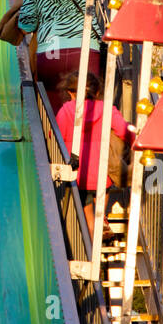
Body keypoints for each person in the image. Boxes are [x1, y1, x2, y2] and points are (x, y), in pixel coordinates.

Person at [16, 0, 106, 113]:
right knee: (88, 108)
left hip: (51, 52)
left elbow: (25, 26)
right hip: (85, 50)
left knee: (54, 111)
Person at [55, 72, 135, 237]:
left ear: (70, 92)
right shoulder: (106, 110)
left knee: (88, 219)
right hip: (102, 174)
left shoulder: (65, 111)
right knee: (98, 217)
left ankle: (91, 254)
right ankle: (102, 225)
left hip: (77, 174)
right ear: (97, 91)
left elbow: (56, 137)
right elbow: (124, 130)